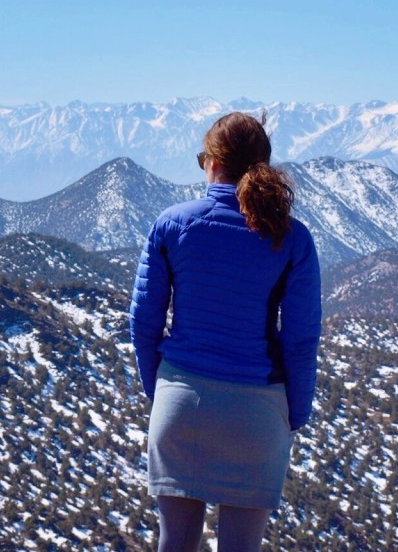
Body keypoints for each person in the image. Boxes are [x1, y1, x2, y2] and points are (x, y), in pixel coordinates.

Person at [129, 111, 322, 551]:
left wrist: (159, 390)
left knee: (175, 541)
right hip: (256, 415)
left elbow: (143, 322)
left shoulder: (172, 224)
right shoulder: (292, 239)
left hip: (180, 403)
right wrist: (295, 413)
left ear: (213, 163)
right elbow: (299, 339)